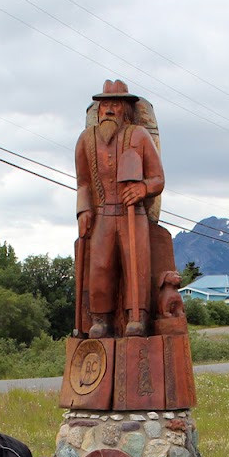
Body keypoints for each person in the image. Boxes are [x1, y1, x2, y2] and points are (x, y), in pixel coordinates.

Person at [75, 79, 166, 338]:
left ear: (126, 108)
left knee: (135, 263)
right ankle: (100, 319)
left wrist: (143, 188)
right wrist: (84, 211)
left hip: (132, 214)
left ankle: (137, 316)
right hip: (103, 213)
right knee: (100, 266)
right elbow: (83, 183)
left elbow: (158, 178)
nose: (109, 110)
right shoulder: (86, 140)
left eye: (115, 104)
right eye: (104, 105)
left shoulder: (139, 136)